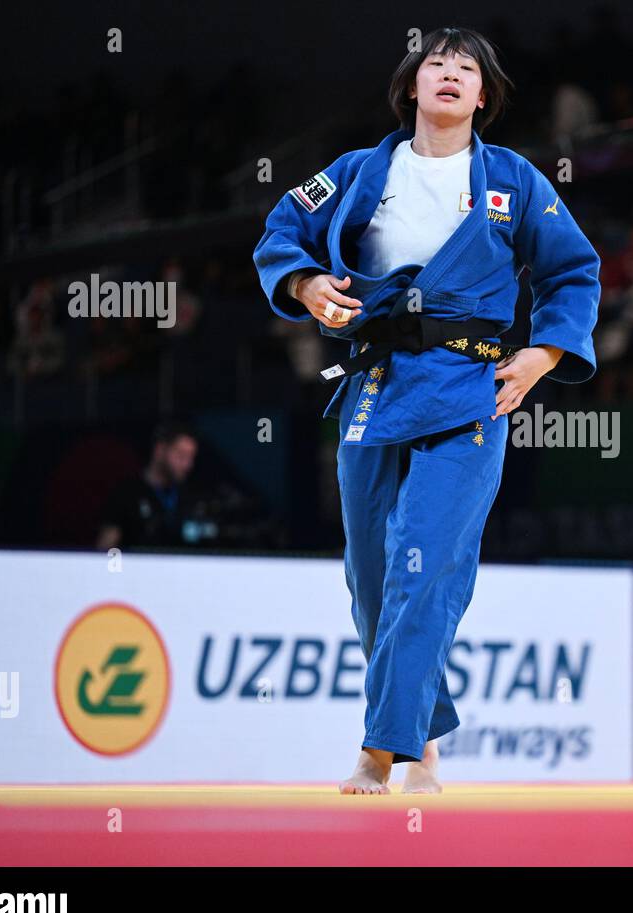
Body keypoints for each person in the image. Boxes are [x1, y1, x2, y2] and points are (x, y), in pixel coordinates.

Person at [253, 28, 600, 795]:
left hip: (470, 389)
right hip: (375, 384)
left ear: (484, 96)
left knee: (425, 562)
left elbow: (573, 270)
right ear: (412, 88)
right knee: (371, 577)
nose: (449, 75)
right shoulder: (355, 172)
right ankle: (423, 735)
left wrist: (544, 354)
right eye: (435, 64)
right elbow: (280, 230)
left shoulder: (513, 181)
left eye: (467, 69)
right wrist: (307, 286)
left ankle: (383, 751)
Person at [96, 423, 198, 550]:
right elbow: (106, 547)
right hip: (135, 567)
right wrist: (115, 569)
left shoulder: (190, 496)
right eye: (181, 455)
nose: (187, 464)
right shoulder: (127, 494)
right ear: (160, 450)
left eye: (190, 457)